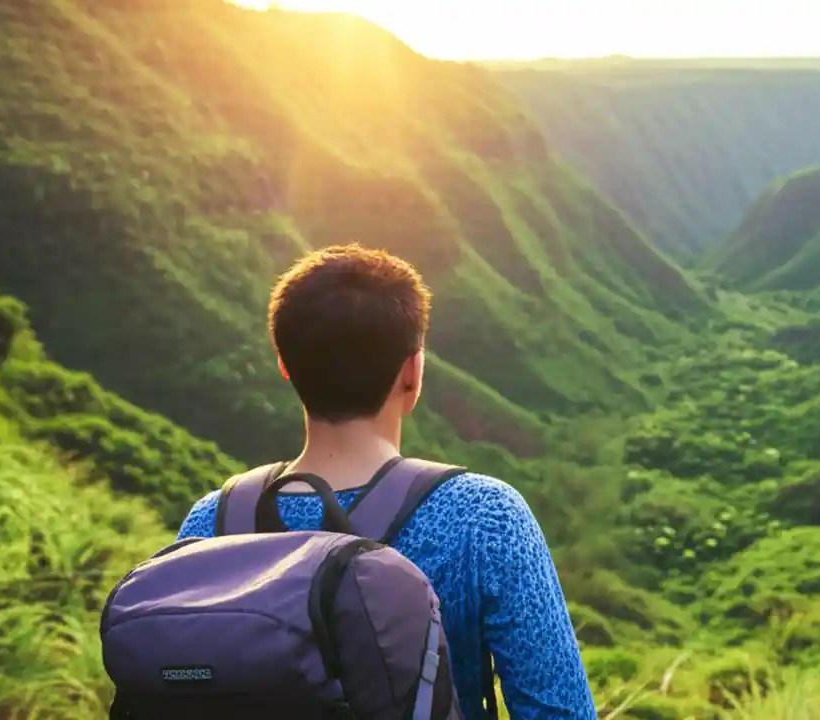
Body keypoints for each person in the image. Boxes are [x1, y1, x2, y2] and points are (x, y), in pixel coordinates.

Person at [175, 243, 596, 718]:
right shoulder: (485, 516)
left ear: (285, 366)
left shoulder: (213, 520)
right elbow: (561, 710)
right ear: (412, 372)